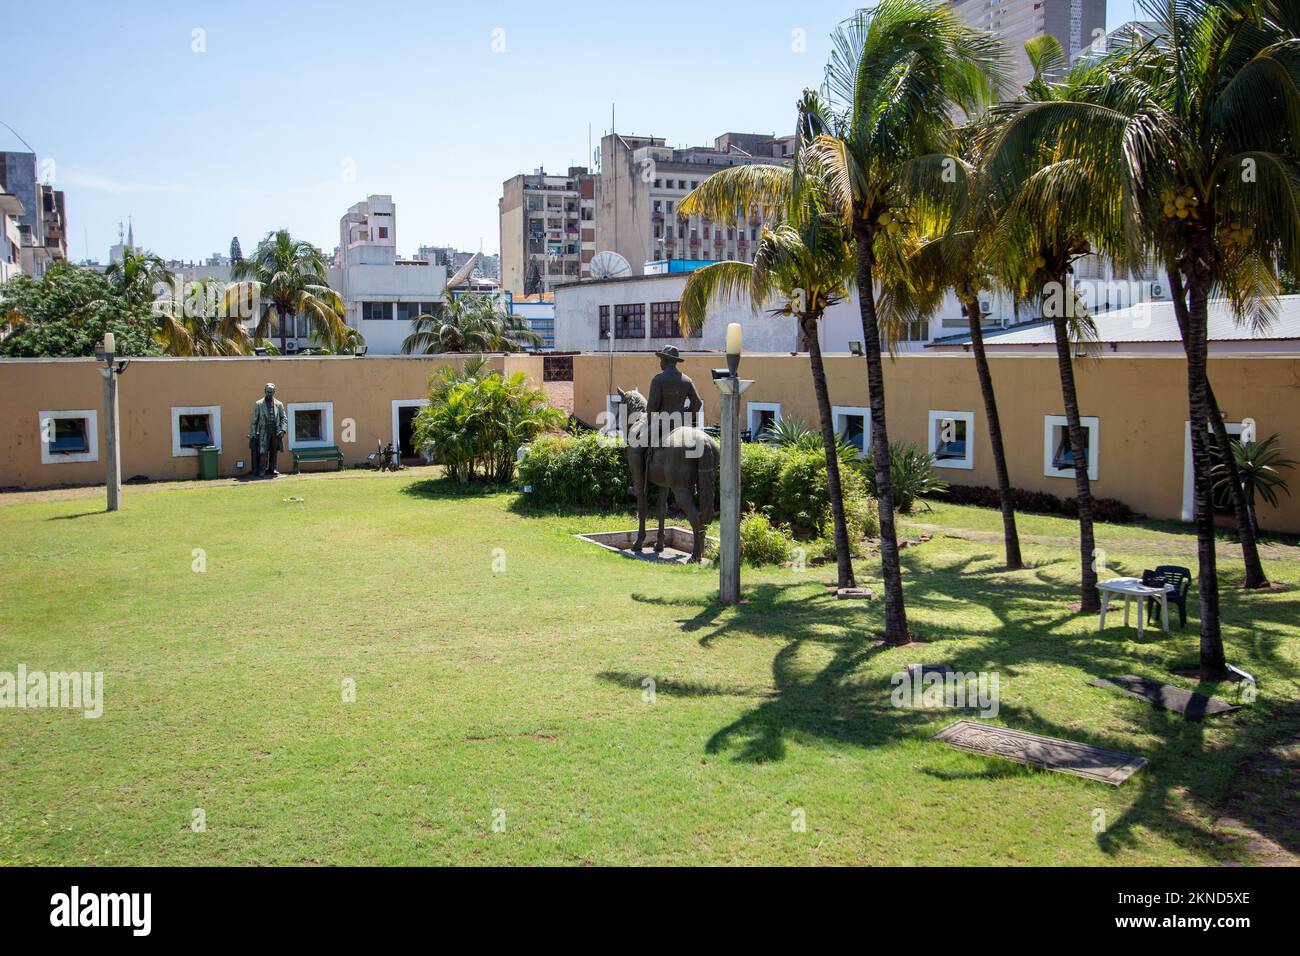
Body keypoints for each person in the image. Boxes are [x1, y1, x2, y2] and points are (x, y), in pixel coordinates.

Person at [248, 382, 288, 477]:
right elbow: (254, 421)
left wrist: (283, 430)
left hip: (275, 431)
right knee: (263, 451)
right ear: (264, 391)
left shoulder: (279, 404)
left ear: (274, 392)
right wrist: (253, 433)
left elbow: (284, 418)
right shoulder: (259, 404)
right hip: (264, 431)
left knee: (274, 451)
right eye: (268, 392)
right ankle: (262, 470)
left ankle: (272, 469)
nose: (269, 394)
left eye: (271, 392)